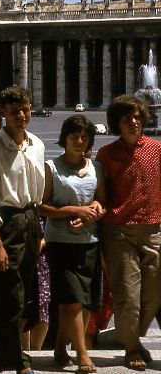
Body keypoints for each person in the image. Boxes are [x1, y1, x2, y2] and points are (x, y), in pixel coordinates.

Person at [0, 86, 45, 374]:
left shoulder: (38, 145)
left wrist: (38, 230)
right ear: (3, 113)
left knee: (26, 294)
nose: (21, 115)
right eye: (14, 110)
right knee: (10, 296)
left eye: (25, 109)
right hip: (6, 223)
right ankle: (18, 361)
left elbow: (39, 193)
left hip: (31, 220)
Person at [94, 95, 161, 371]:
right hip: (119, 231)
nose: (133, 122)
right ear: (116, 124)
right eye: (126, 119)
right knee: (127, 294)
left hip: (153, 229)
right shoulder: (106, 154)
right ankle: (131, 347)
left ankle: (127, 334)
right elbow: (100, 194)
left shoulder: (158, 150)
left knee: (154, 293)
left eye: (136, 117)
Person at [39, 115, 103, 373]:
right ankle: (83, 355)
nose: (79, 141)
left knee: (84, 301)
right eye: (74, 136)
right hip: (60, 242)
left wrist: (95, 210)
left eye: (84, 137)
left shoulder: (96, 167)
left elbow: (101, 202)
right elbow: (41, 207)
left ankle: (59, 347)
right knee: (72, 300)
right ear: (64, 138)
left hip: (89, 241)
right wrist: (73, 211)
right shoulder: (51, 168)